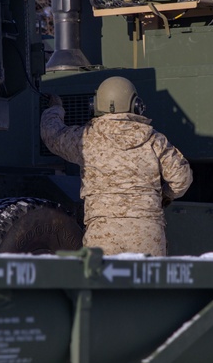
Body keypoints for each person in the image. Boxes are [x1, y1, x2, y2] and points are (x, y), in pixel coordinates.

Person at [40, 76, 193, 256]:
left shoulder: (86, 139)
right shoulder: (154, 140)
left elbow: (52, 135)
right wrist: (165, 196)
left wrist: (55, 109)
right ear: (135, 104)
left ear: (95, 105)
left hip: (103, 234)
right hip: (147, 234)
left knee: (103, 283)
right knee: (147, 283)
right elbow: (182, 178)